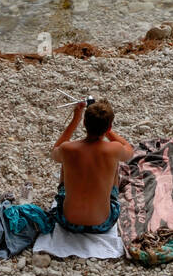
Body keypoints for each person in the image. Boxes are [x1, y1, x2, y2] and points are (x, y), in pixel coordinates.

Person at [49, 99, 133, 233]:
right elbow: (129, 150)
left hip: (67, 221)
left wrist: (75, 118)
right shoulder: (114, 149)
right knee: (114, 161)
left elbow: (54, 152)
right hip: (102, 223)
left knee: (65, 161)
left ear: (84, 123)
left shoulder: (67, 149)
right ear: (109, 127)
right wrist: (107, 131)